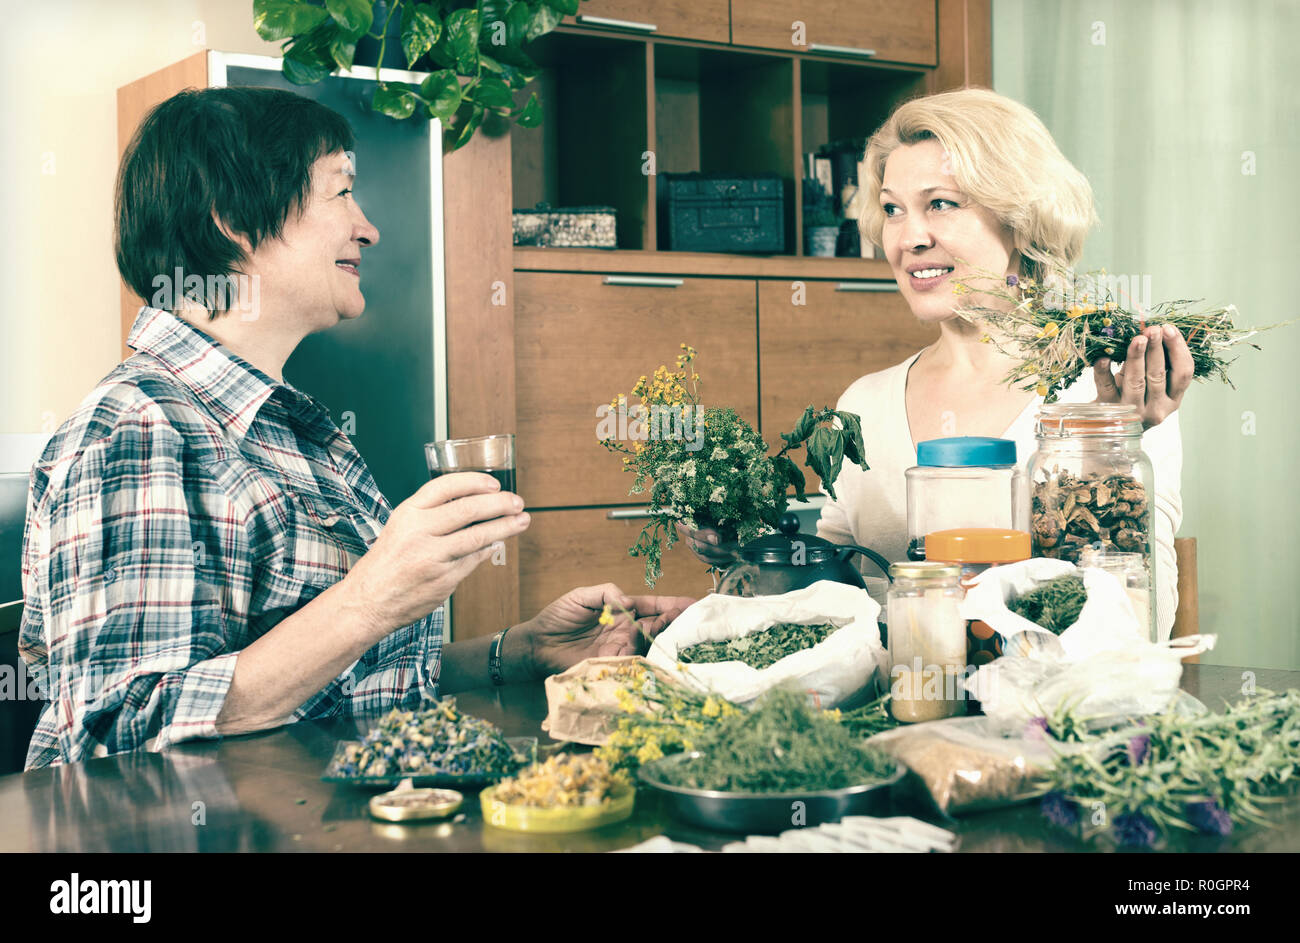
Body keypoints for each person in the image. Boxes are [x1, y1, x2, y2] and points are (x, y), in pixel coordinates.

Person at [19, 87, 691, 770]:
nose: (367, 228)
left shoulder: (289, 429)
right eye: (340, 193)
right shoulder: (137, 429)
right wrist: (371, 595)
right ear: (230, 219)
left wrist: (516, 652)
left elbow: (341, 686)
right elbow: (111, 743)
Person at [683, 88, 1187, 640]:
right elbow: (832, 598)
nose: (909, 238)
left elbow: (1143, 625)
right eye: (894, 209)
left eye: (941, 203)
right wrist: (745, 561)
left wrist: (1112, 451)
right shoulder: (862, 407)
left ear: (1020, 218)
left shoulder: (1104, 398)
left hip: (1040, 717)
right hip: (899, 715)